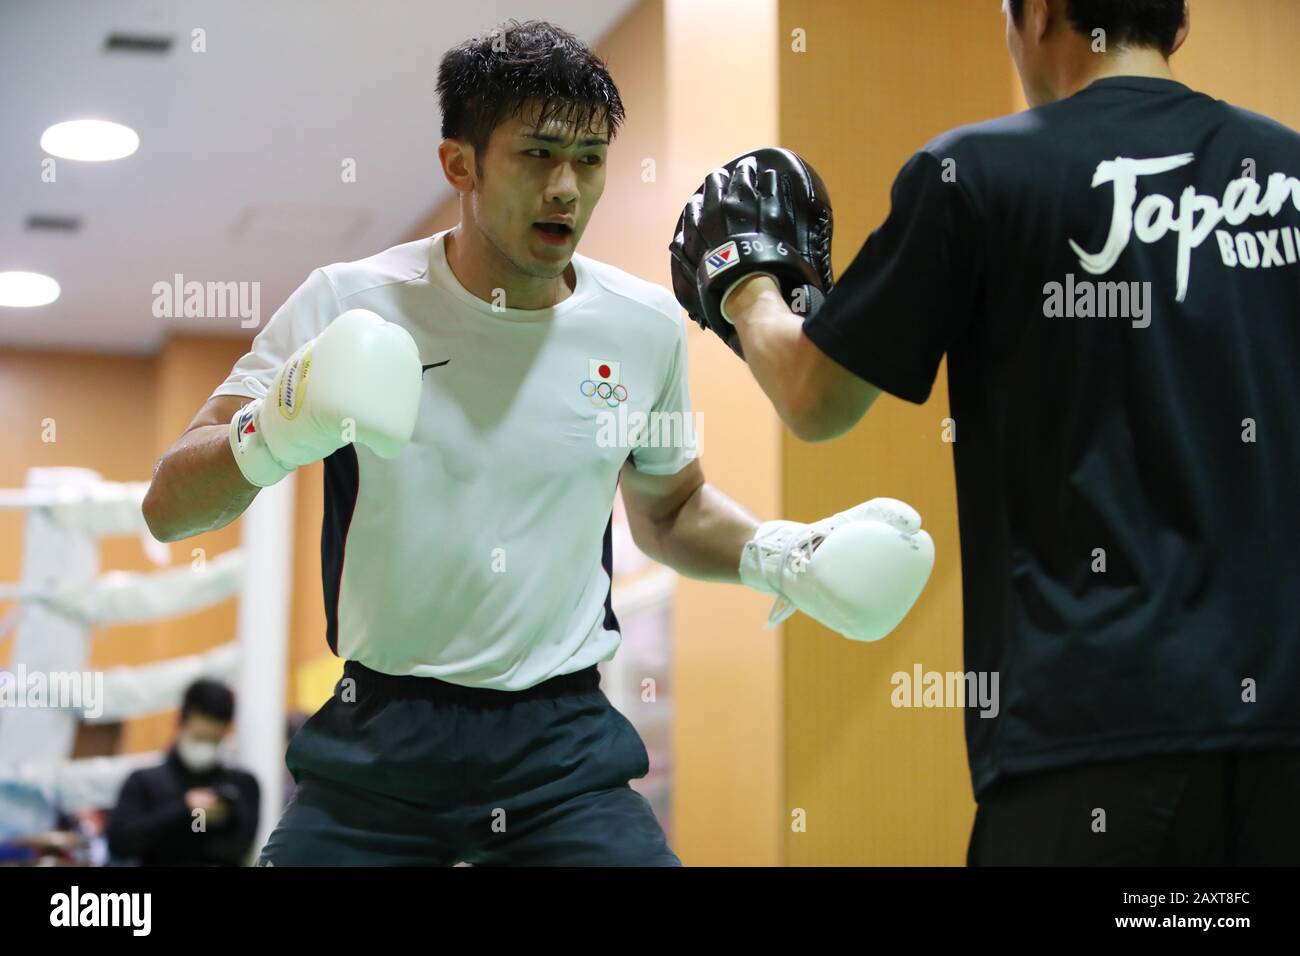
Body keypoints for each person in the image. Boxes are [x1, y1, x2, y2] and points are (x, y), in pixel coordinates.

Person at [142, 19, 933, 866]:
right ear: (461, 164)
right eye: (538, 154)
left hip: (561, 752)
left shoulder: (646, 328)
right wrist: (282, 425)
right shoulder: (348, 300)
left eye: (590, 160)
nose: (567, 188)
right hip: (375, 746)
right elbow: (168, 506)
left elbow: (671, 509)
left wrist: (781, 556)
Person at [671, 0, 1300, 865]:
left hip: (1089, 738)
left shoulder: (976, 173)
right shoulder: (1292, 169)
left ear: (1036, 13)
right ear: (1177, 26)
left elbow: (814, 398)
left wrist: (741, 279)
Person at [106, 679, 260, 866]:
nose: (205, 747)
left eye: (213, 741)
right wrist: (184, 810)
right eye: (199, 738)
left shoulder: (241, 785)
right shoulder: (144, 782)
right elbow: (120, 843)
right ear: (180, 723)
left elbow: (237, 848)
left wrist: (221, 817)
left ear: (226, 732)